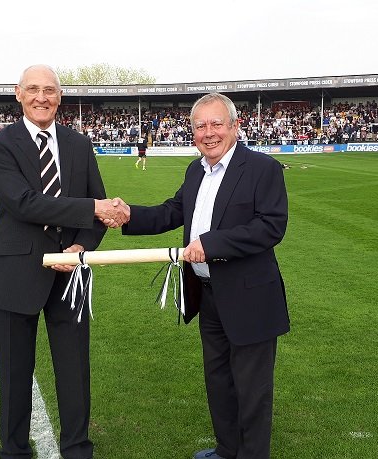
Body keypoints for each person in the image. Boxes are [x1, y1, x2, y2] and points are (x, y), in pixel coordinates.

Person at [111, 92, 289, 459]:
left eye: (216, 124)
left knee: (252, 390)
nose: (209, 133)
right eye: (200, 125)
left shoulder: (262, 169)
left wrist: (212, 243)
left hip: (251, 298)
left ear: (235, 127)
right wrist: (130, 215)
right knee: (219, 381)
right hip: (208, 295)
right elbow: (173, 211)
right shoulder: (196, 170)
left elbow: (271, 227)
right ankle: (227, 450)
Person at [0, 64, 126, 459]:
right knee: (14, 375)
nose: (41, 97)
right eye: (33, 89)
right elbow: (23, 203)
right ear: (18, 93)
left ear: (60, 97)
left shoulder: (79, 144)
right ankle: (13, 451)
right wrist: (92, 208)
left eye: (49, 90)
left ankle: (78, 449)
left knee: (75, 372)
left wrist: (79, 249)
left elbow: (96, 211)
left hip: (71, 274)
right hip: (15, 274)